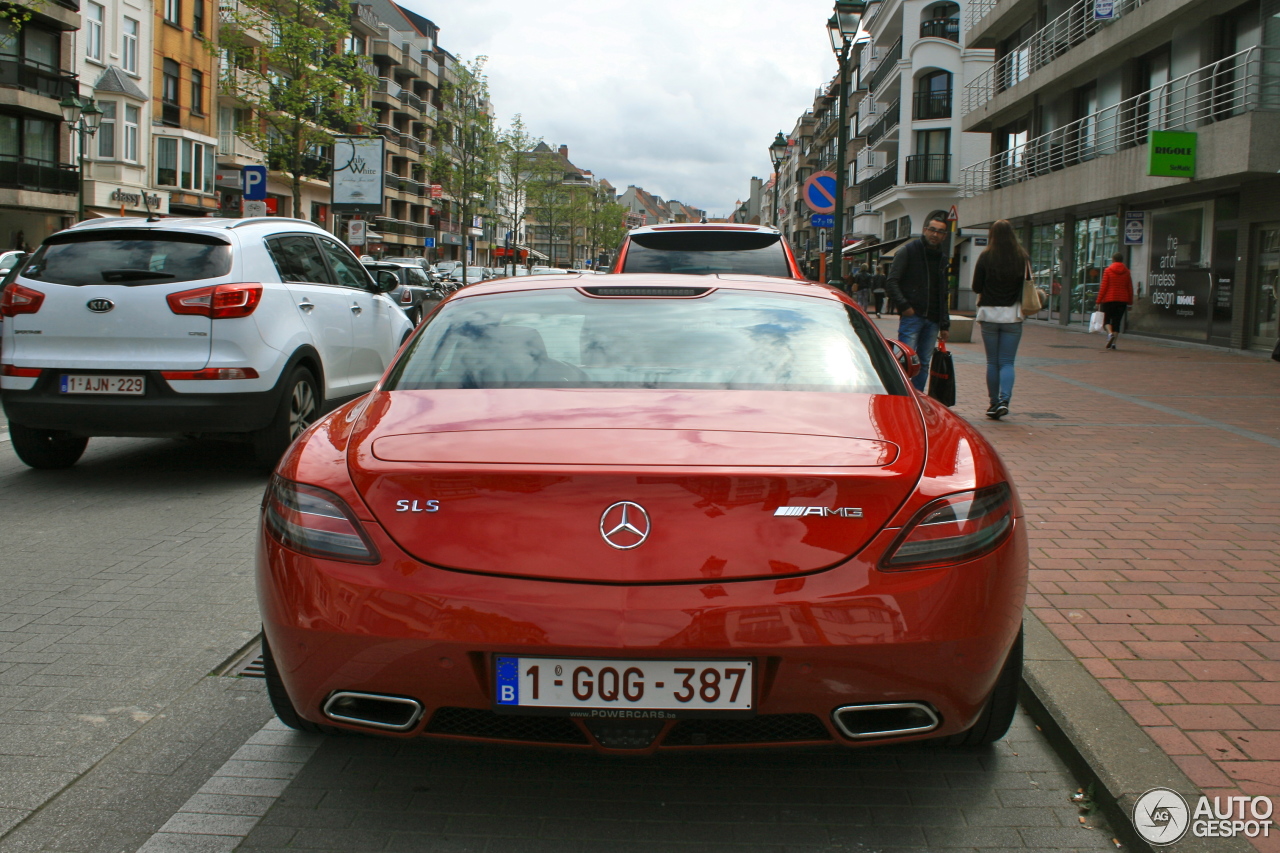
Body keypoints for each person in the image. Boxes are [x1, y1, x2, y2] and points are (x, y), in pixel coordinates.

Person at [885, 211, 951, 391]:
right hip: (913, 316)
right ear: (925, 230)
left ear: (944, 236)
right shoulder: (909, 251)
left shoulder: (942, 258)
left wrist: (944, 324)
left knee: (923, 362)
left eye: (939, 232)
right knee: (906, 360)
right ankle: (902, 394)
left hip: (933, 319)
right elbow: (891, 281)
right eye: (932, 230)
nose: (935, 234)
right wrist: (905, 307)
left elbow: (943, 291)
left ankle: (918, 397)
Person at [971, 219, 1028, 420]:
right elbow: (1027, 285)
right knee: (1007, 362)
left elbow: (976, 286)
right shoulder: (1022, 257)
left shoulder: (986, 256)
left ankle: (993, 402)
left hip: (989, 314)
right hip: (1013, 315)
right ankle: (1004, 400)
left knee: (992, 362)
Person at [1095, 252, 1134, 350]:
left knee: (1106, 320)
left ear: (1113, 259)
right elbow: (1130, 288)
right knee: (1117, 322)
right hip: (1122, 300)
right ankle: (1113, 344)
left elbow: (1104, 287)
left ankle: (1110, 334)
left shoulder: (1108, 271)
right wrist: (1130, 303)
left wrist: (1098, 301)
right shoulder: (1127, 272)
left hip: (1109, 299)